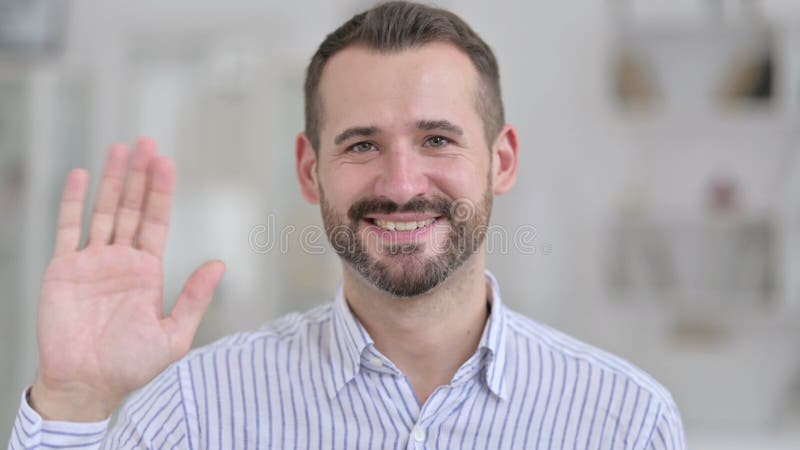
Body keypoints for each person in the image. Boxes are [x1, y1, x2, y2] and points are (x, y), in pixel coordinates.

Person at [8, 2, 686, 449]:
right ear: (310, 170)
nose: (400, 184)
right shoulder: (194, 413)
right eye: (362, 144)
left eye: (438, 141)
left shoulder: (624, 421)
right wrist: (75, 398)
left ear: (500, 160)